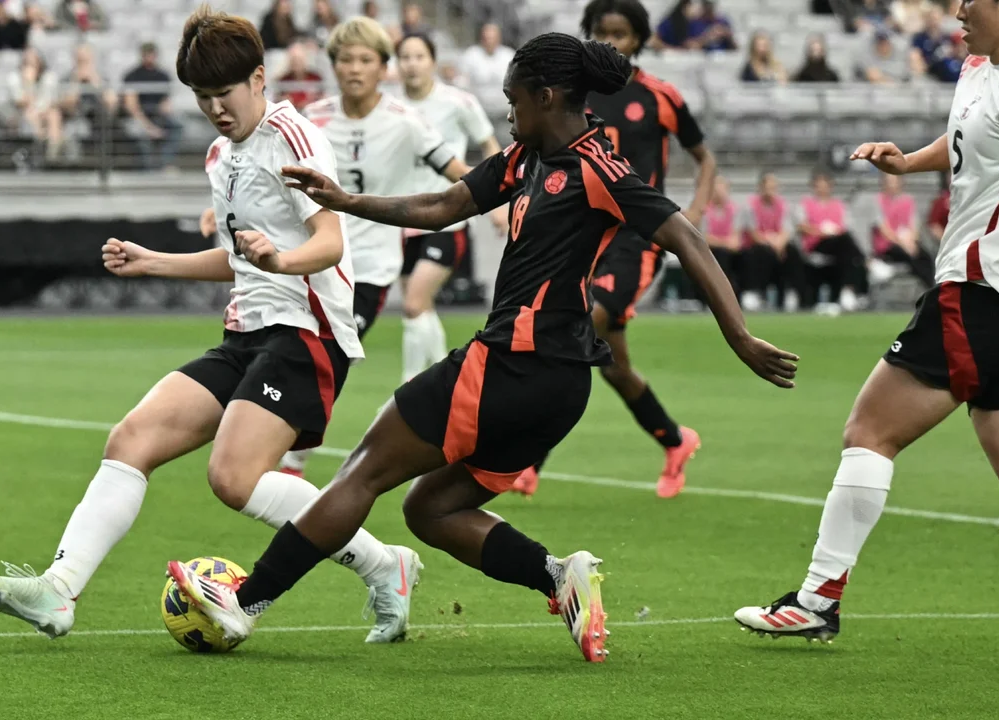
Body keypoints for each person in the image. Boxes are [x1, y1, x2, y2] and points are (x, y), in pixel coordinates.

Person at [168, 32, 798, 662]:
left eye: (512, 99)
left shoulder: (598, 169)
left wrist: (739, 336)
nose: (506, 112)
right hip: (554, 387)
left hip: (513, 366)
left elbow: (686, 236)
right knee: (430, 509)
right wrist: (345, 200)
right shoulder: (526, 156)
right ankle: (559, 578)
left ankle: (245, 602)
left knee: (364, 471)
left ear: (546, 96)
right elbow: (444, 206)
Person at [0, 6, 421, 646]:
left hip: (305, 333)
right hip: (246, 334)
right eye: (202, 98)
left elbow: (330, 242)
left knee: (233, 478)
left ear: (259, 78)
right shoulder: (220, 154)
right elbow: (237, 260)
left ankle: (383, 564)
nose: (214, 108)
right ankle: (58, 590)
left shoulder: (294, 138)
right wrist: (155, 263)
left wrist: (280, 260)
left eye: (223, 93)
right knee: (131, 440)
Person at [735, 0, 999, 643]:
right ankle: (816, 602)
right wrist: (909, 162)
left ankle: (816, 601)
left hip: (981, 292)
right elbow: (972, 142)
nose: (960, 7)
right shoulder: (979, 66)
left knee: (869, 431)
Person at [511, 0, 719, 498]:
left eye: (621, 34)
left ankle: (528, 459)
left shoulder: (660, 96)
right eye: (602, 33)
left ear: (639, 38)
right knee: (612, 366)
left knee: (581, 323)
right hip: (583, 235)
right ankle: (674, 439)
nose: (613, 42)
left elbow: (704, 156)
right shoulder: (574, 98)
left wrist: (693, 213)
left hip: (636, 237)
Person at [279, 18, 467, 478]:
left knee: (333, 354)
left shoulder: (406, 123)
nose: (354, 69)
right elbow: (271, 174)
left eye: (366, 60)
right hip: (314, 261)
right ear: (334, 66)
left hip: (370, 269)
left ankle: (292, 459)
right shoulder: (314, 119)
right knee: (293, 350)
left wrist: (511, 197)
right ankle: (284, 450)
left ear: (384, 68)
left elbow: (457, 171)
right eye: (346, 59)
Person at [395, 33, 503, 384]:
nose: (411, 63)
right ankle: (445, 375)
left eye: (418, 56)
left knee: (413, 303)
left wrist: (500, 201)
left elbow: (490, 144)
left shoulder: (457, 102)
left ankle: (410, 382)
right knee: (420, 308)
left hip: (446, 218)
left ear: (432, 61)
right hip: (402, 220)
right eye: (405, 57)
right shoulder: (390, 106)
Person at [797, 169, 865, 312]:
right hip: (816, 246)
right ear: (813, 186)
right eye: (818, 185)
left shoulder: (839, 206)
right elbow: (802, 227)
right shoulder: (805, 204)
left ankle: (846, 291)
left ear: (831, 186)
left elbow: (845, 228)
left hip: (837, 248)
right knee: (849, 247)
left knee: (846, 248)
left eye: (825, 184)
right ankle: (861, 273)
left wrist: (834, 232)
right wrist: (822, 232)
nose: (822, 188)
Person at [740, 171, 803, 311]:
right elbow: (753, 233)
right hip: (757, 245)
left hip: (777, 244)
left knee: (793, 252)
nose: (770, 191)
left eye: (773, 188)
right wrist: (772, 243)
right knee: (761, 253)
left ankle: (791, 291)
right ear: (760, 188)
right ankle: (754, 291)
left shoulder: (783, 205)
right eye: (767, 187)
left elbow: (786, 230)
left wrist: (779, 243)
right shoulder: (750, 205)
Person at [122, 42, 183, 171]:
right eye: (146, 54)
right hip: (139, 117)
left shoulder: (163, 75)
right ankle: (147, 169)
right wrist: (148, 127)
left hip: (157, 115)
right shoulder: (132, 76)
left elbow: (165, 103)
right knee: (139, 133)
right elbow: (131, 106)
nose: (149, 57)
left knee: (177, 126)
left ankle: (165, 163)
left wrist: (159, 122)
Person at [872, 172, 933, 284]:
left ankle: (934, 289)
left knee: (926, 257)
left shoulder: (908, 200)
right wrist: (903, 244)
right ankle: (930, 289)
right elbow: (884, 230)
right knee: (912, 259)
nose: (892, 185)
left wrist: (911, 242)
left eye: (894, 181)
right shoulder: (878, 201)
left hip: (908, 243)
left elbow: (914, 226)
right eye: (888, 181)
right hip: (888, 246)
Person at [459, 22, 515, 117]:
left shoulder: (509, 55)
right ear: (481, 38)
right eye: (486, 38)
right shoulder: (470, 55)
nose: (489, 42)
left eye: (492, 38)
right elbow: (461, 81)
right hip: (479, 111)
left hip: (504, 111)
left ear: (499, 39)